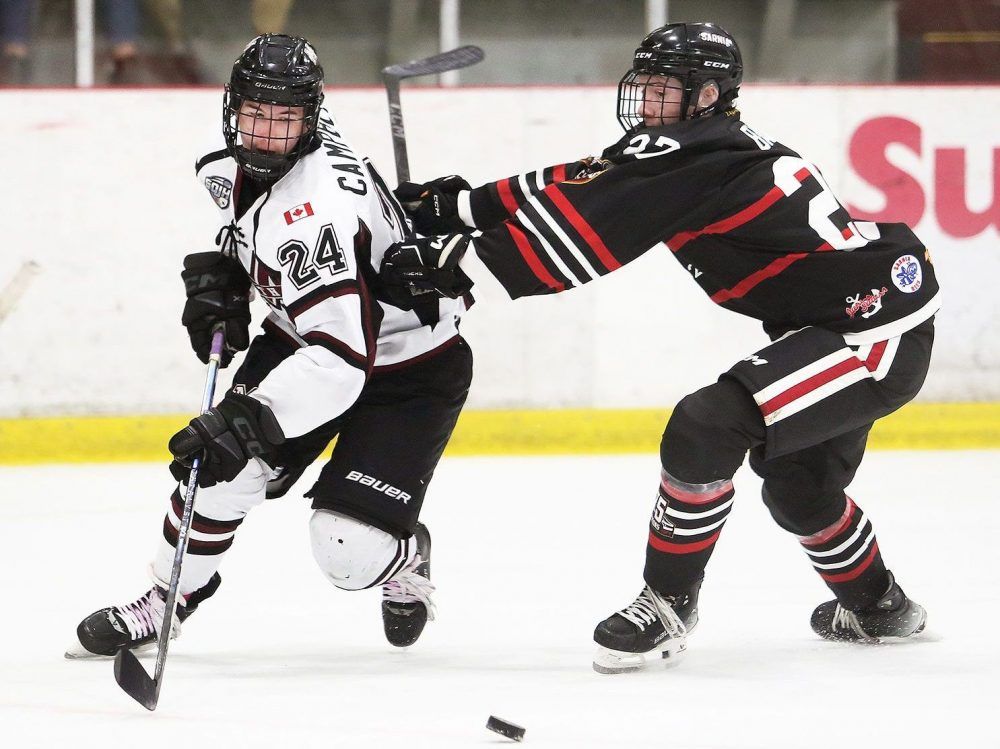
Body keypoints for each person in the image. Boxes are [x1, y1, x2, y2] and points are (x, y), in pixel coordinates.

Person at [380, 22, 939, 673]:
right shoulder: (692, 147)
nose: (645, 100)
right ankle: (881, 606)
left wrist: (454, 260)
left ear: (706, 96)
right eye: (642, 85)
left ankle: (669, 602)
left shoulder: (696, 159)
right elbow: (586, 178)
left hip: (874, 329)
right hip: (844, 318)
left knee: (707, 424)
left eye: (662, 89)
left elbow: (575, 235)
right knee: (798, 490)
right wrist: (462, 207)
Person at [66, 33, 472, 659]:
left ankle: (401, 554)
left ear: (309, 123)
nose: (266, 133)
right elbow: (262, 225)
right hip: (304, 338)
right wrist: (230, 270)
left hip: (407, 366)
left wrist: (247, 417)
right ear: (233, 106)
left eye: (285, 121)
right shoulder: (254, 152)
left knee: (347, 551)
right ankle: (167, 599)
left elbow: (340, 362)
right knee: (217, 472)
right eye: (254, 114)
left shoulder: (313, 213)